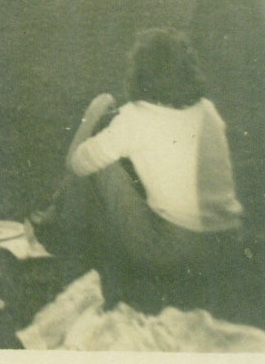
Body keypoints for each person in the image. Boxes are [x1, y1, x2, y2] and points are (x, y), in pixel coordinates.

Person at [32, 28, 244, 311]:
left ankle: (55, 228)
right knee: (130, 167)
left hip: (172, 251)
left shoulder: (135, 116)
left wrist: (94, 112)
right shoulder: (208, 110)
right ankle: (56, 221)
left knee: (101, 165)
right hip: (226, 245)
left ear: (140, 72)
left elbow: (76, 163)